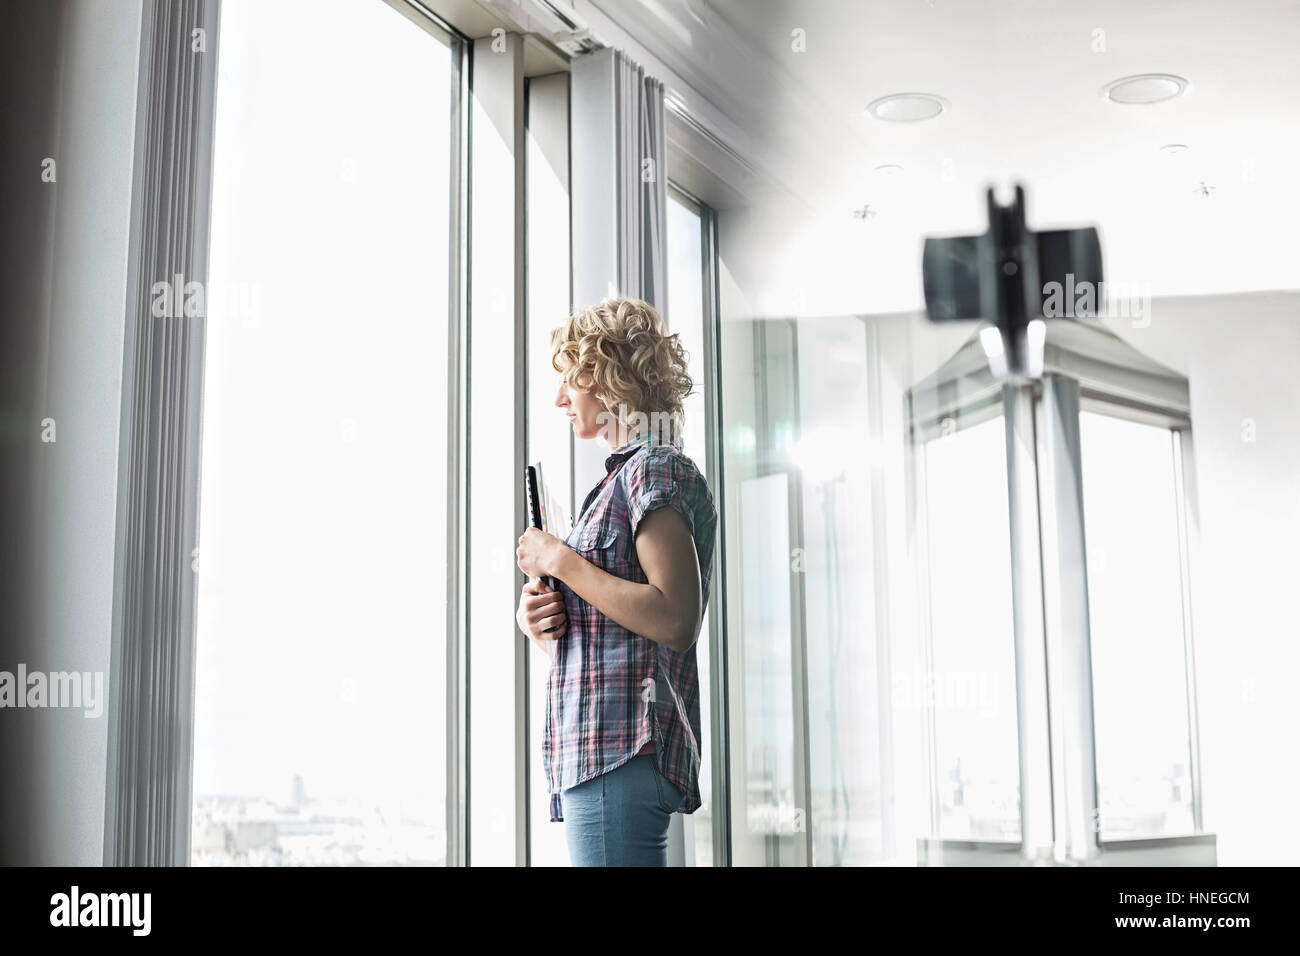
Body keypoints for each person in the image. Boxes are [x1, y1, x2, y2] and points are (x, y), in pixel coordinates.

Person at [515, 296, 717, 867]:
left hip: (617, 750)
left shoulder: (653, 468)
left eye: (571, 379)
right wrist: (540, 620)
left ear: (609, 378)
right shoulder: (623, 481)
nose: (560, 398)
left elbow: (675, 618)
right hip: (603, 753)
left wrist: (561, 560)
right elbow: (617, 622)